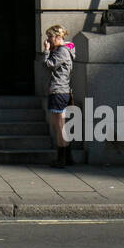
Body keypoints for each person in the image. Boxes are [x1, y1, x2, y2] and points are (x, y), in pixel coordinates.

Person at [41, 25, 75, 168]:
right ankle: (67, 157)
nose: (48, 40)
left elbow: (48, 64)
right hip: (60, 91)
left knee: (59, 126)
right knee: (59, 125)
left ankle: (62, 159)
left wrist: (46, 51)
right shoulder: (63, 50)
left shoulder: (62, 51)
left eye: (50, 37)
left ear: (58, 37)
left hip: (59, 91)